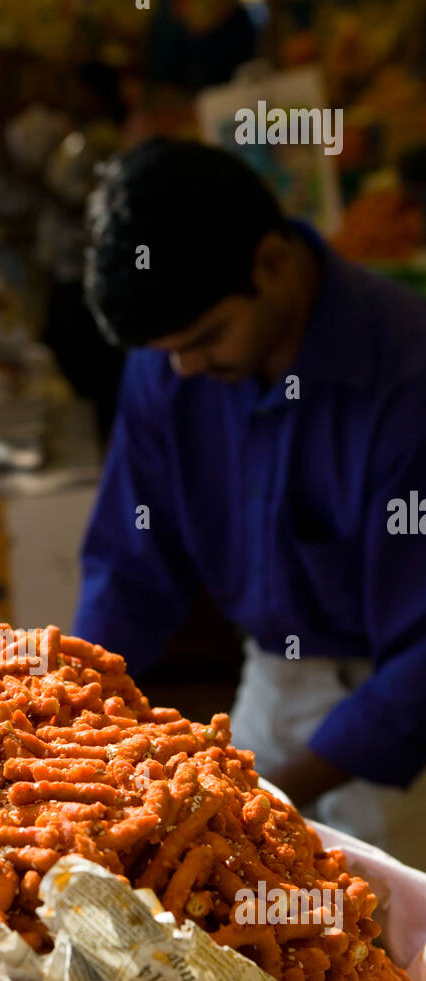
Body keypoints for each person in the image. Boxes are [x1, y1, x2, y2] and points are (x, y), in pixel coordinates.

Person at [75, 137, 426, 868]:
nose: (185, 369)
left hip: (399, 733)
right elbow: (131, 566)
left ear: (273, 263)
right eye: (169, 353)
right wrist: (70, 716)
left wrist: (266, 797)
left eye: (205, 341)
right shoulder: (169, 360)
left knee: (385, 960)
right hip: (269, 682)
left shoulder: (406, 373)